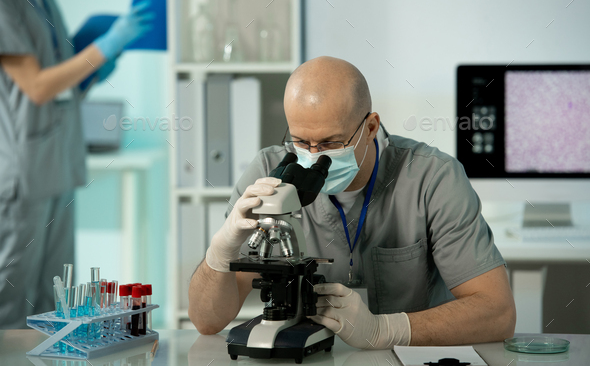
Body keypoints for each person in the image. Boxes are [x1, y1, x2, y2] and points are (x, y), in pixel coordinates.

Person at [189, 56, 516, 348]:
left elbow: (497, 313)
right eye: (301, 141)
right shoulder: (266, 171)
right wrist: (220, 254)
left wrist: (385, 330)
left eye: (331, 142)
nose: (313, 156)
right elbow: (208, 322)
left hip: (407, 356)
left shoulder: (434, 177)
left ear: (371, 127)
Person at [0, 0, 153, 328]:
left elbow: (61, 82)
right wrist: (104, 46)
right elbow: (36, 87)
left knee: (54, 294)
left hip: (58, 160)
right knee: (11, 296)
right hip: (24, 167)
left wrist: (94, 70)